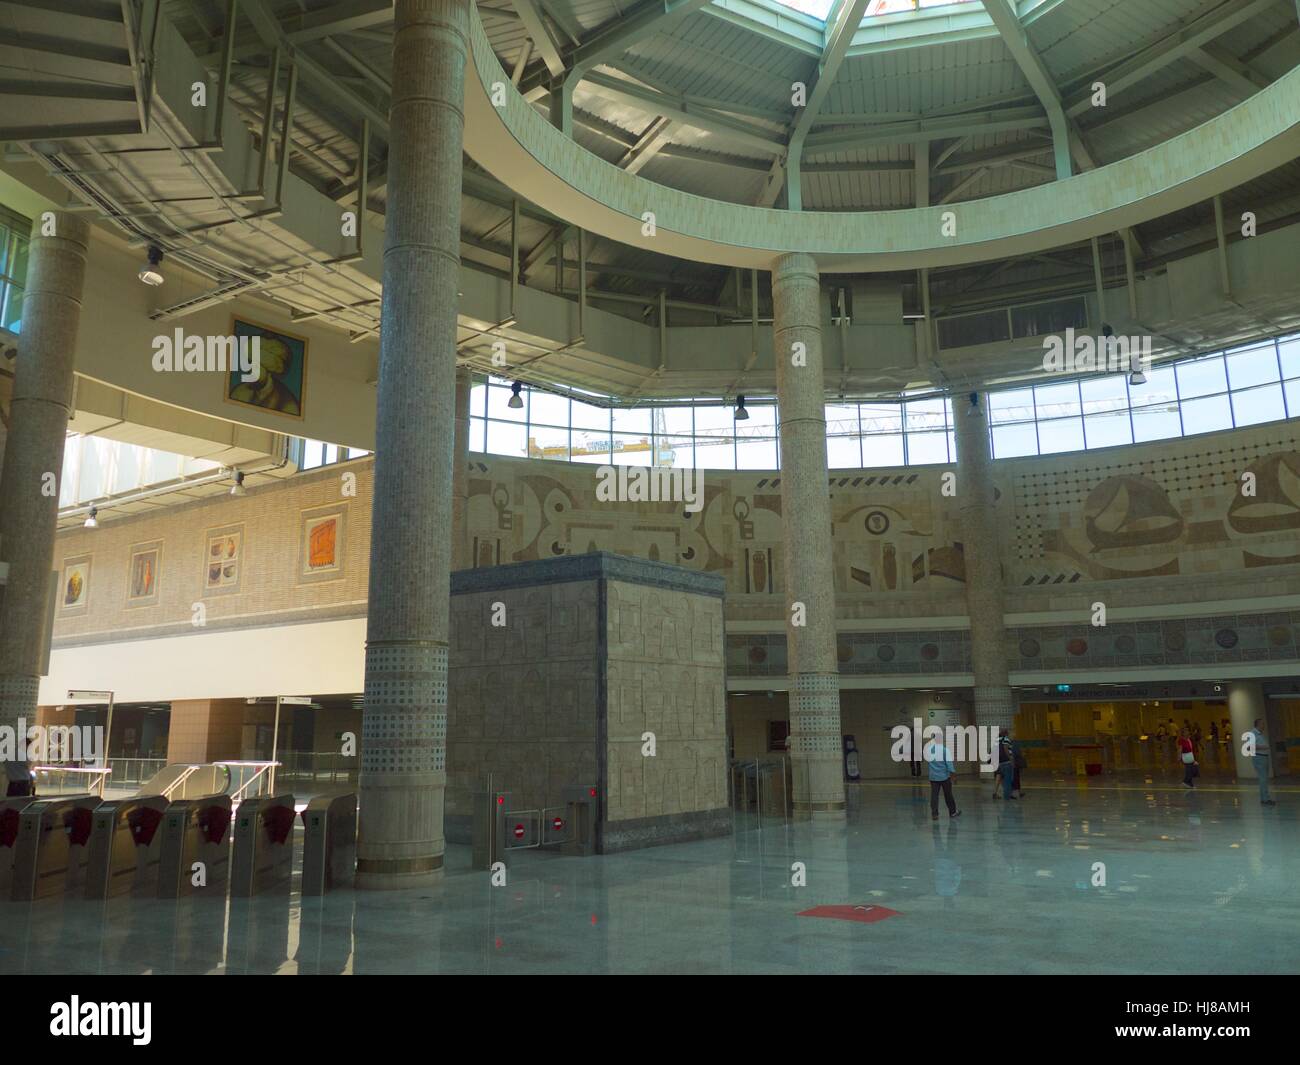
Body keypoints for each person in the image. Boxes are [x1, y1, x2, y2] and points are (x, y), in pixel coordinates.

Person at [925, 735, 961, 821]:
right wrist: (954, 776)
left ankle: (934, 814)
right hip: (945, 777)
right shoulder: (945, 750)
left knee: (934, 795)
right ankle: (952, 812)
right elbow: (949, 765)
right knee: (948, 795)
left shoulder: (929, 750)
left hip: (933, 777)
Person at [1246, 718, 1276, 806]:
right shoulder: (1253, 734)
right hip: (1259, 758)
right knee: (1263, 779)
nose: (1264, 726)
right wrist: (1262, 747)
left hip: (1263, 757)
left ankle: (1265, 798)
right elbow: (1249, 747)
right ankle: (1265, 799)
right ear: (1258, 724)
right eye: (1262, 724)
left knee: (1264, 779)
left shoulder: (1259, 734)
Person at [994, 726, 1016, 800]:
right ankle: (1007, 796)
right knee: (1008, 779)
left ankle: (1005, 794)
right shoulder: (1006, 739)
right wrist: (1010, 759)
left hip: (999, 763)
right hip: (1007, 762)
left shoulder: (997, 740)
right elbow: (1006, 748)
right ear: (1006, 733)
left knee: (1002, 779)